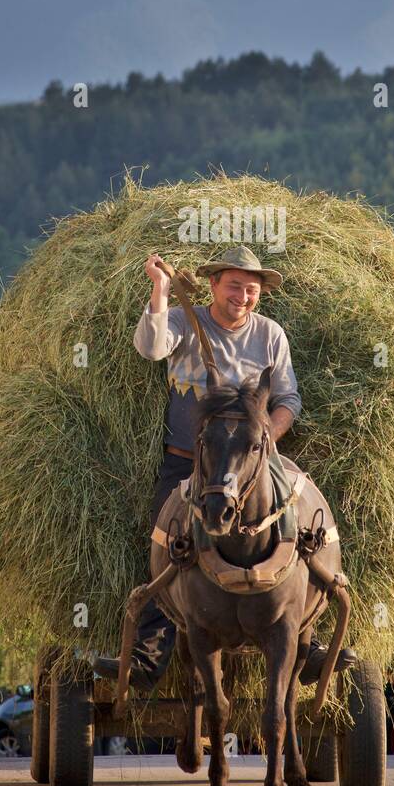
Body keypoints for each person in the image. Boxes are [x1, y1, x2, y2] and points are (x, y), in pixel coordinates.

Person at [92, 245, 356, 691]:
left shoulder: (270, 335)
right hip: (190, 463)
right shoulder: (185, 321)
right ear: (214, 284)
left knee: (308, 530)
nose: (243, 296)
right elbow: (151, 347)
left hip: (257, 462)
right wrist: (159, 290)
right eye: (234, 285)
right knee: (167, 544)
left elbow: (289, 399)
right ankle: (148, 654)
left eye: (251, 290)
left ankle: (307, 642)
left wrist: (267, 436)